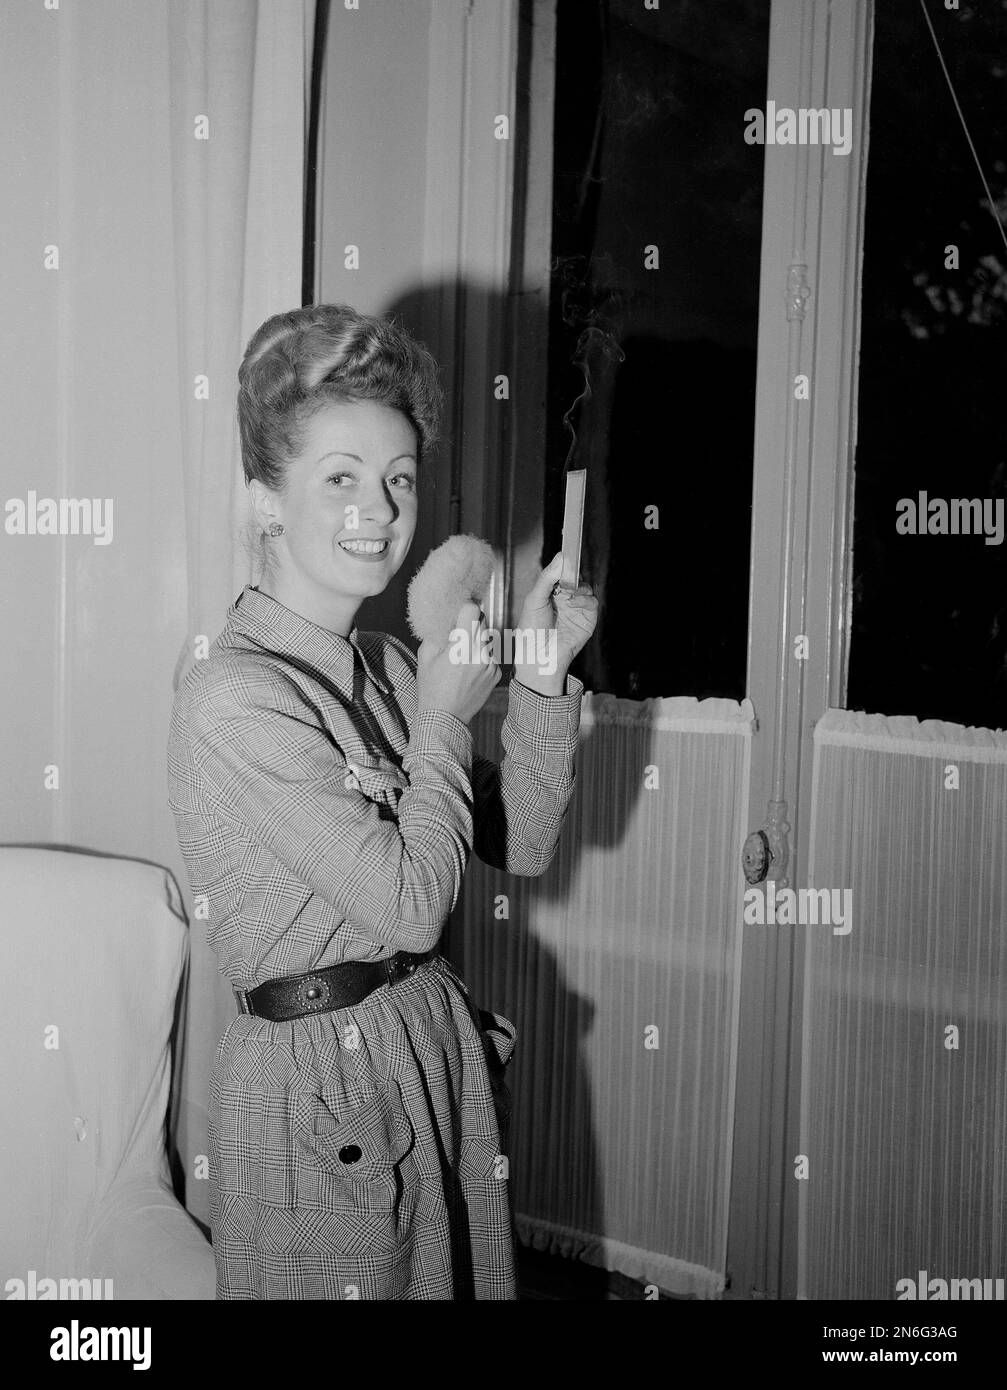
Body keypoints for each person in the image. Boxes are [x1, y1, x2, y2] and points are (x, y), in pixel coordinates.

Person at [167, 302, 598, 1300]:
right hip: (316, 1094)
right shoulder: (231, 697)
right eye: (340, 477)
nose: (379, 506)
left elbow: (521, 844)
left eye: (398, 477)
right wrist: (448, 720)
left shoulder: (388, 665)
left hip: (428, 1049)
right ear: (266, 500)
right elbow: (409, 901)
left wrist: (538, 679)